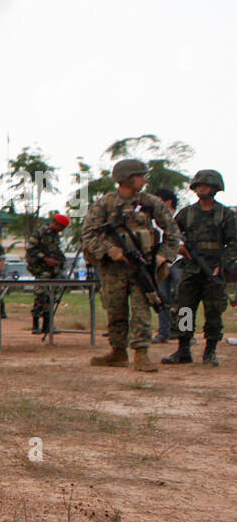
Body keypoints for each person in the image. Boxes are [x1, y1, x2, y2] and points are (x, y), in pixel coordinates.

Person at [81, 158, 180, 372]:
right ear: (127, 178)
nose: (144, 179)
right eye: (140, 175)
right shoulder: (105, 203)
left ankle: (141, 353)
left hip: (142, 266)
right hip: (113, 268)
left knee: (141, 309)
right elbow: (88, 233)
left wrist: (163, 256)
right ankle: (118, 352)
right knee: (115, 309)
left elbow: (173, 231)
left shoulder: (151, 202)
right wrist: (110, 250)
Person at [162, 170, 235, 367]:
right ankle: (183, 349)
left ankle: (210, 351)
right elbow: (171, 234)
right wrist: (180, 248)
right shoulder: (187, 213)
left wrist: (223, 265)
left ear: (215, 189)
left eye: (205, 185)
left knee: (213, 312)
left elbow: (234, 243)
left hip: (214, 271)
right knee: (185, 309)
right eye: (198, 186)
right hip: (192, 269)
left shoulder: (225, 214)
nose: (200, 189)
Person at [25, 213, 68, 335]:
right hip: (41, 269)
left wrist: (59, 261)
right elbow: (30, 249)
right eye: (61, 227)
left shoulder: (55, 236)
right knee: (41, 295)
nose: (61, 230)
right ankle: (35, 324)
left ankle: (47, 325)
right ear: (56, 223)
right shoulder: (40, 233)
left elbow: (55, 250)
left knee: (51, 297)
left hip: (53, 271)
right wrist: (45, 258)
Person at [151, 188, 184, 344]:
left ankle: (185, 333)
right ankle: (164, 332)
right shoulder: (154, 221)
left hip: (180, 262)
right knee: (162, 299)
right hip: (162, 263)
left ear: (168, 202)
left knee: (185, 300)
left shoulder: (181, 218)